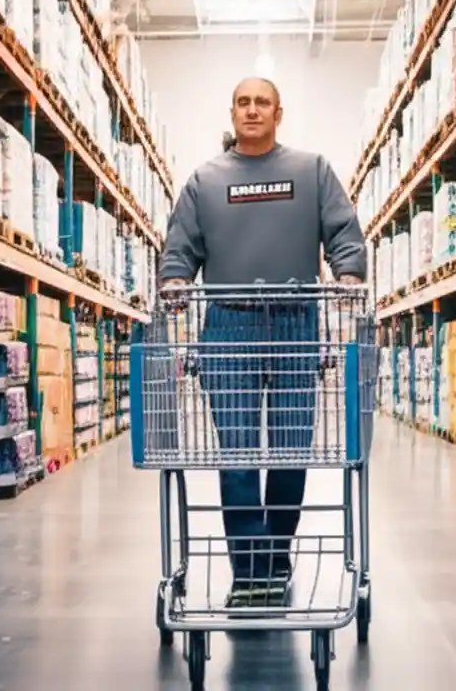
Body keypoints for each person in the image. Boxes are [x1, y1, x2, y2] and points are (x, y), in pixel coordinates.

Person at [159, 77, 367, 604]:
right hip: (228, 327)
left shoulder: (311, 171)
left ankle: (276, 554)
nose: (252, 110)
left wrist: (347, 271)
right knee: (237, 453)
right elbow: (181, 244)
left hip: (296, 323)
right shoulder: (205, 181)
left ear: (279, 113)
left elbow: (342, 229)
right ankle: (252, 570)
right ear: (232, 112)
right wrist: (177, 279)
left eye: (262, 102)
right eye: (243, 102)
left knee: (293, 449)